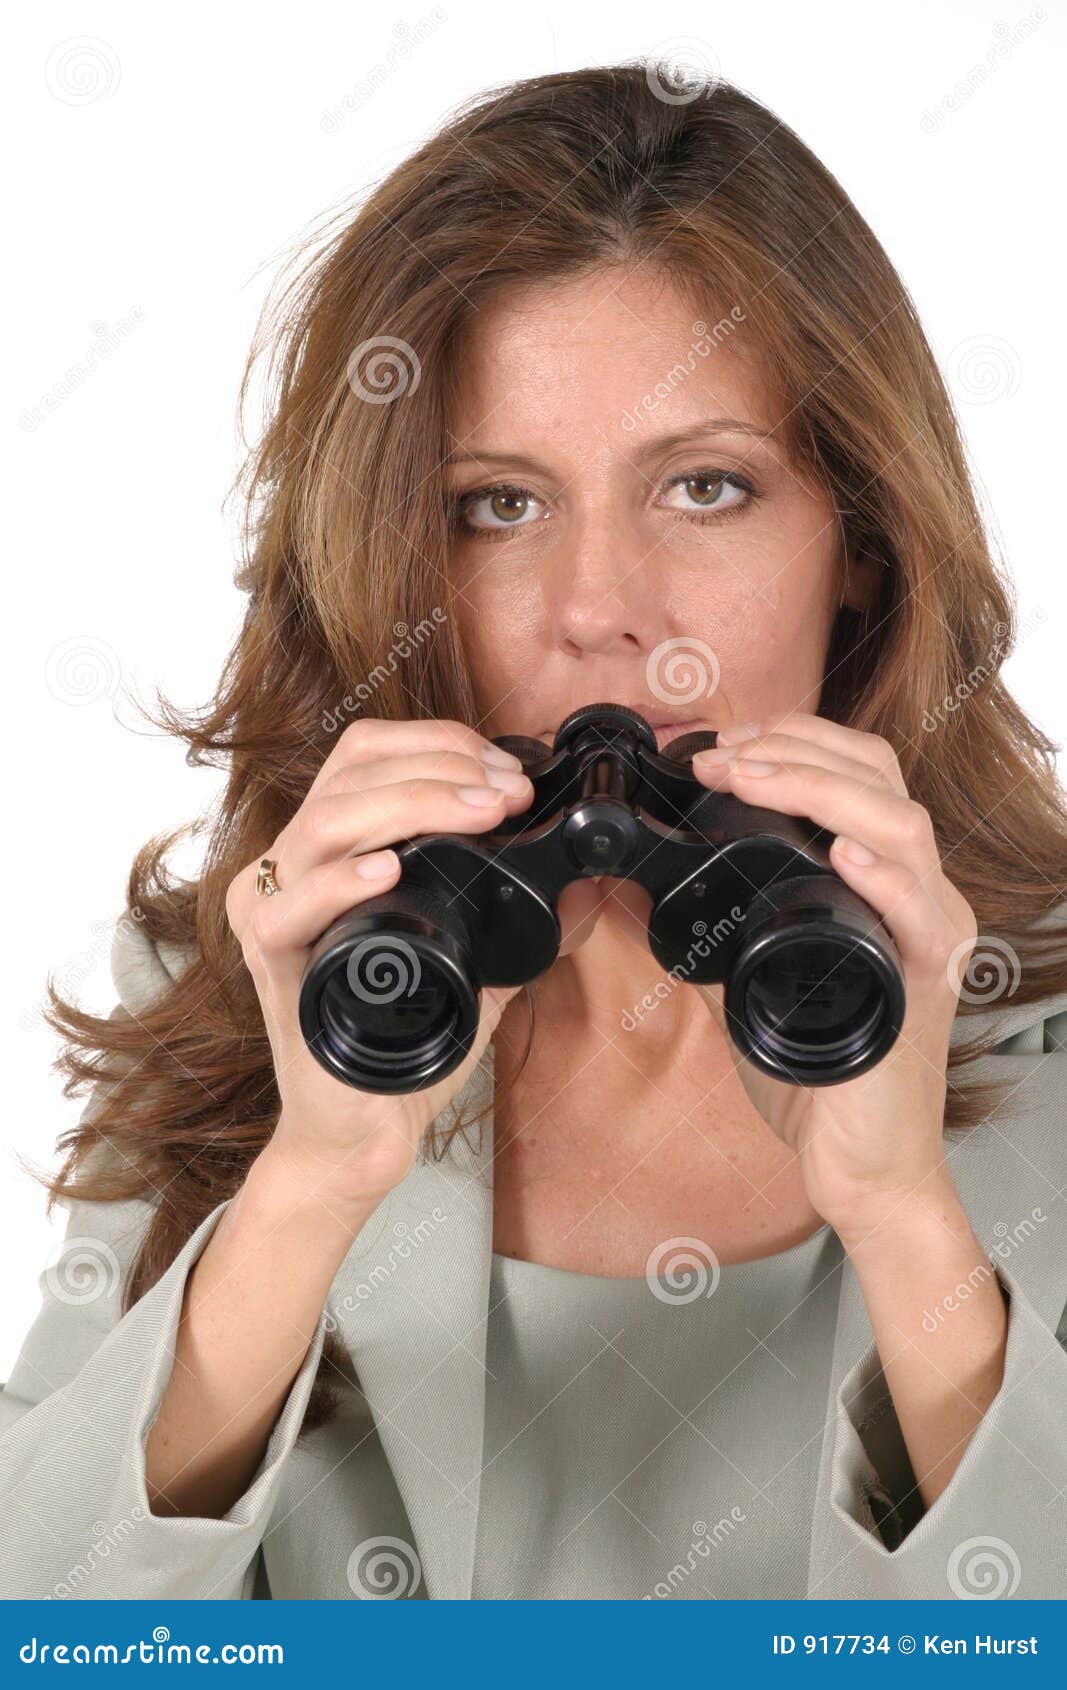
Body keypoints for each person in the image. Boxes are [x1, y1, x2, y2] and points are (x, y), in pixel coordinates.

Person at [3, 64, 1067, 1602]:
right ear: (395, 558)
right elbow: (48, 1632)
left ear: (863, 543)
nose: (599, 613)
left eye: (706, 487)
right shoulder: (232, 982)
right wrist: (308, 1184)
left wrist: (907, 1222)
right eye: (498, 505)